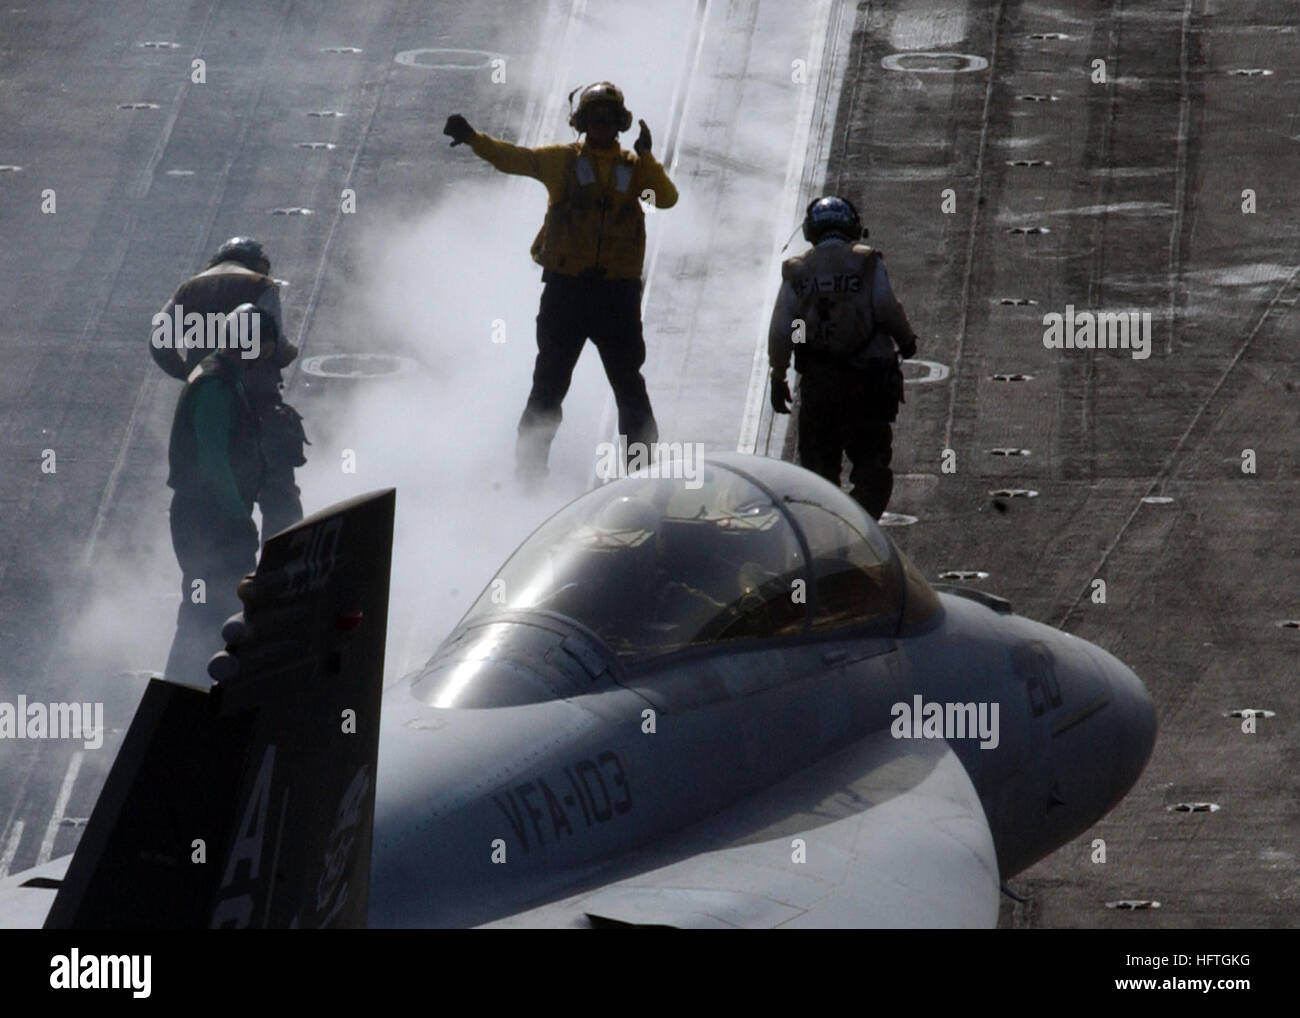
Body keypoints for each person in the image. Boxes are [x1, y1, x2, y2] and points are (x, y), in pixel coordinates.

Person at [442, 81, 678, 486]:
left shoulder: (634, 168)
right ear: (583, 122)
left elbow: (666, 198)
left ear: (619, 124)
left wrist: (648, 159)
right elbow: (513, 159)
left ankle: (643, 477)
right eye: (595, 118)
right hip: (568, 294)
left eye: (608, 118)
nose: (601, 125)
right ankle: (528, 476)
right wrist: (472, 139)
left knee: (630, 394)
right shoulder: (561, 162)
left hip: (615, 298)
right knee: (548, 388)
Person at [767, 196, 919, 519]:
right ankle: (859, 531)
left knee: (818, 480)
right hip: (867, 383)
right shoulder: (867, 264)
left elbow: (784, 328)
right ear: (851, 226)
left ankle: (829, 537)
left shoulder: (798, 271)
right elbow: (887, 309)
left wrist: (778, 374)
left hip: (820, 385)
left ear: (811, 230)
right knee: (872, 472)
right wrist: (906, 342)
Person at [151, 236, 306, 538]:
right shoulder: (262, 285)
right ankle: (280, 570)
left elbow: (158, 343)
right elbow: (273, 342)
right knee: (280, 498)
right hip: (258, 406)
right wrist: (289, 353)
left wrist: (189, 374)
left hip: (209, 407)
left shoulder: (188, 289)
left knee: (213, 494)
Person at [162, 304, 275, 686]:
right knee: (210, 604)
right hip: (208, 519)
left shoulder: (222, 374)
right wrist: (237, 517)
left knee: (211, 603)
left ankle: (192, 685)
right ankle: (185, 687)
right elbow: (213, 460)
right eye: (265, 347)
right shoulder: (215, 384)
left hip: (208, 516)